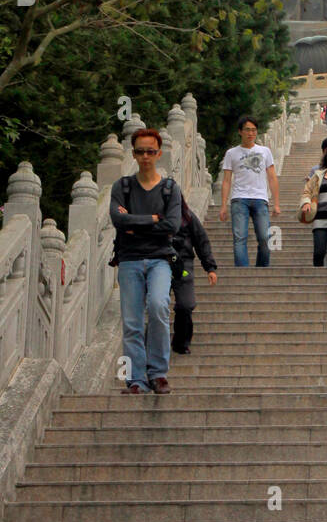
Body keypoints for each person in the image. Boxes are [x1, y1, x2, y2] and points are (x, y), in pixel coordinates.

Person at [110, 128, 182, 395]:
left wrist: (136, 223)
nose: (145, 156)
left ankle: (158, 373)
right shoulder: (123, 187)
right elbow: (118, 220)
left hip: (159, 259)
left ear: (159, 154)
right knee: (131, 322)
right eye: (140, 151)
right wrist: (152, 219)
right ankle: (136, 381)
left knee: (159, 306)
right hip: (129, 260)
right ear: (134, 154)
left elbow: (172, 225)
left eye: (150, 151)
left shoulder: (169, 189)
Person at [219, 117, 280, 267]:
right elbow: (226, 180)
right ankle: (242, 272)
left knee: (265, 238)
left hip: (260, 199)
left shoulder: (264, 151)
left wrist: (276, 203)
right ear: (240, 131)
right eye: (247, 130)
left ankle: (262, 269)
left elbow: (272, 177)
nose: (251, 133)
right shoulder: (231, 153)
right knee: (240, 238)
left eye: (253, 130)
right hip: (239, 199)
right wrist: (223, 205)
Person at [171, 195, 218, 355]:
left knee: (186, 304)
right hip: (160, 262)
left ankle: (181, 342)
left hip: (183, 263)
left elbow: (201, 241)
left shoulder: (188, 217)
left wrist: (210, 268)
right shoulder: (154, 215)